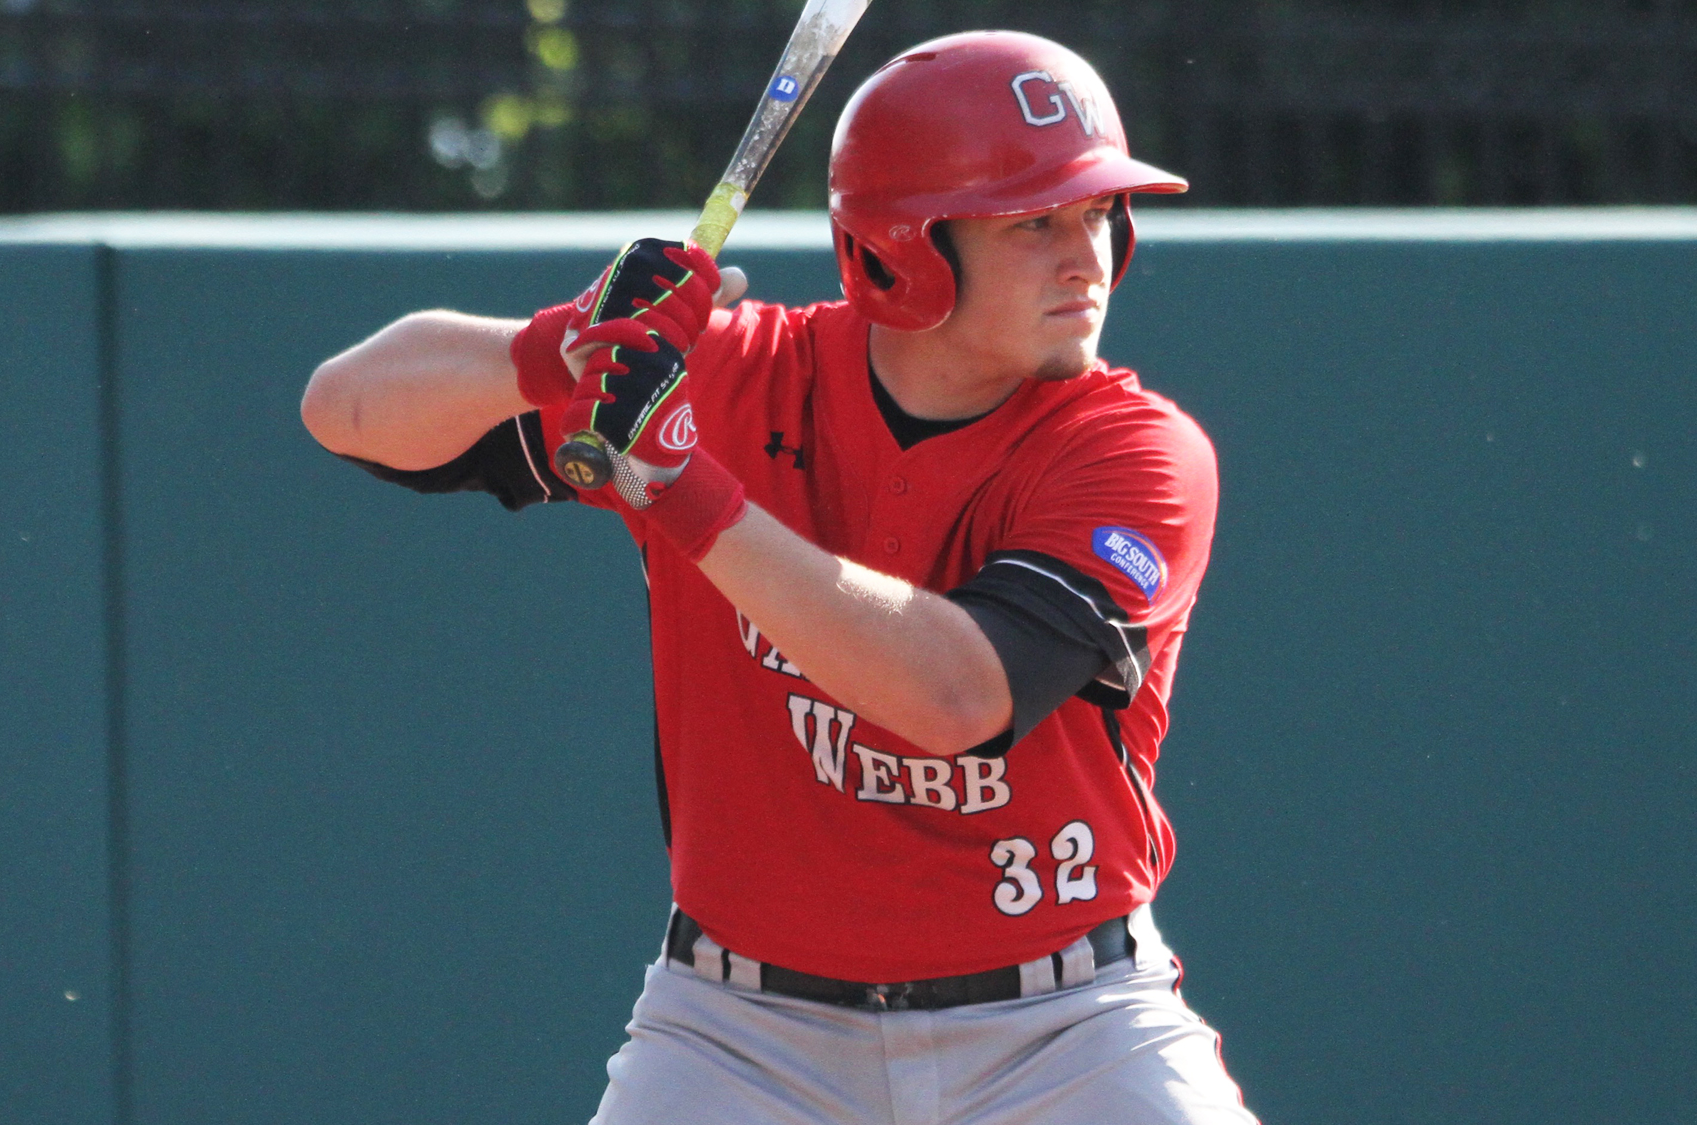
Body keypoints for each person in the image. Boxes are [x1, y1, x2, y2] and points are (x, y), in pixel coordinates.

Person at [302, 29, 1259, 1125]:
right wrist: (556, 351)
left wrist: (679, 487)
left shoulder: (1133, 448)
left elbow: (956, 698)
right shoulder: (732, 375)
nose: (1084, 254)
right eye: (1032, 221)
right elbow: (344, 409)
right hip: (738, 1038)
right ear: (905, 248)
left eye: (1096, 213)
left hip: (1063, 1031)